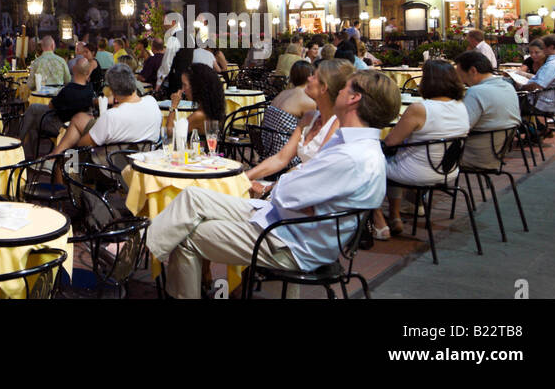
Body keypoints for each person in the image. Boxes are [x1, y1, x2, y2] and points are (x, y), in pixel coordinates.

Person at [147, 69, 401, 298]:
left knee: (186, 234)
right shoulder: (354, 144)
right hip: (282, 219)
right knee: (193, 197)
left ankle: (138, 248)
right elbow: (295, 184)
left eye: (347, 87)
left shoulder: (352, 155)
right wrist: (292, 189)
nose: (341, 89)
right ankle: (143, 242)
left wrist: (283, 188)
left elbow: (288, 190)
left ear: (354, 98)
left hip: (289, 241)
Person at [373, 59, 470, 237]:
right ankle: (396, 214)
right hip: (448, 171)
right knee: (394, 159)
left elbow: (390, 141)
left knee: (373, 164)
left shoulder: (420, 109)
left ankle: (378, 217)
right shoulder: (461, 107)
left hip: (417, 172)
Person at [247, 59, 349, 187]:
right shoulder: (309, 117)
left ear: (324, 88)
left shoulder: (337, 124)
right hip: (293, 185)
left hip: (308, 193)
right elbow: (281, 158)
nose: (309, 78)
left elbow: (313, 170)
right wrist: (243, 177)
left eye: (314, 76)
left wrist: (268, 189)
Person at [51, 64, 162, 159]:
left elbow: (82, 144)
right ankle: (53, 158)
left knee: (68, 155)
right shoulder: (152, 102)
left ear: (112, 92)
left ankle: (56, 164)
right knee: (79, 118)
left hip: (108, 168)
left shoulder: (112, 116)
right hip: (143, 162)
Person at [455, 49, 521, 169]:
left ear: (473, 71)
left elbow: (461, 126)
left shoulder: (476, 92)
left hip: (474, 154)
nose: (461, 81)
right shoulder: (507, 86)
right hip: (498, 151)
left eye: (461, 76)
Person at [257, 60, 315, 158]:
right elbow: (312, 133)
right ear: (310, 76)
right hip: (285, 154)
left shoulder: (283, 93)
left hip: (267, 150)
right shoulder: (307, 101)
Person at [516, 33, 555, 118]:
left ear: (552, 47)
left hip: (541, 104)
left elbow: (537, 85)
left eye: (544, 47)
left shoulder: (553, 65)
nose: (543, 49)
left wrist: (521, 87)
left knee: (508, 101)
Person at [164, 64, 225, 137]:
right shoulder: (212, 109)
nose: (183, 90)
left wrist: (173, 106)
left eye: (185, 85)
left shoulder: (199, 115)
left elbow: (171, 133)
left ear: (197, 86)